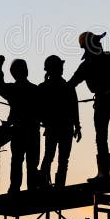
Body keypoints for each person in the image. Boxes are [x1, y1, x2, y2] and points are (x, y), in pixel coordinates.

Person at [67, 31, 110, 182]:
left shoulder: (87, 65)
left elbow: (70, 85)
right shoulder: (109, 57)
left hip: (105, 104)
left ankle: (105, 174)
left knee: (103, 139)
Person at [0, 55, 42, 193]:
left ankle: (15, 187)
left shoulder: (14, 90)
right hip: (31, 130)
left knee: (18, 161)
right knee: (30, 162)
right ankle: (31, 187)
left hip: (19, 130)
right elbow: (43, 108)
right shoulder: (35, 90)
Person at [38, 55, 82, 188]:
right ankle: (58, 184)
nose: (62, 69)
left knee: (50, 157)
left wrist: (77, 126)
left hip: (56, 128)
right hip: (63, 128)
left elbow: (74, 108)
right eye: (60, 66)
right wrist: (77, 127)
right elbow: (74, 108)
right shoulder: (66, 87)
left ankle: (46, 183)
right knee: (60, 159)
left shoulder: (44, 87)